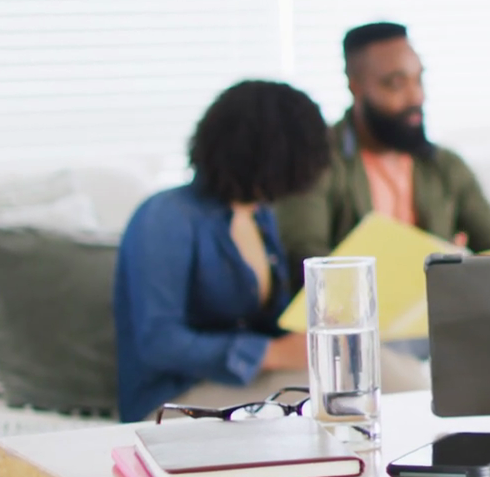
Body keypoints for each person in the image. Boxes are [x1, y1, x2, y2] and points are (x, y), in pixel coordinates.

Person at [114, 81, 329, 421]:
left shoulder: (260, 215)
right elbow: (158, 341)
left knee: (371, 369)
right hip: (173, 399)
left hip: (240, 385)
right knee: (347, 388)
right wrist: (271, 353)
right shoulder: (166, 217)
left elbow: (263, 320)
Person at [275, 21, 490, 275]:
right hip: (355, 311)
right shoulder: (315, 160)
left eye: (419, 80)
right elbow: (304, 257)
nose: (416, 97)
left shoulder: (445, 165)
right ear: (355, 87)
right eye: (396, 84)